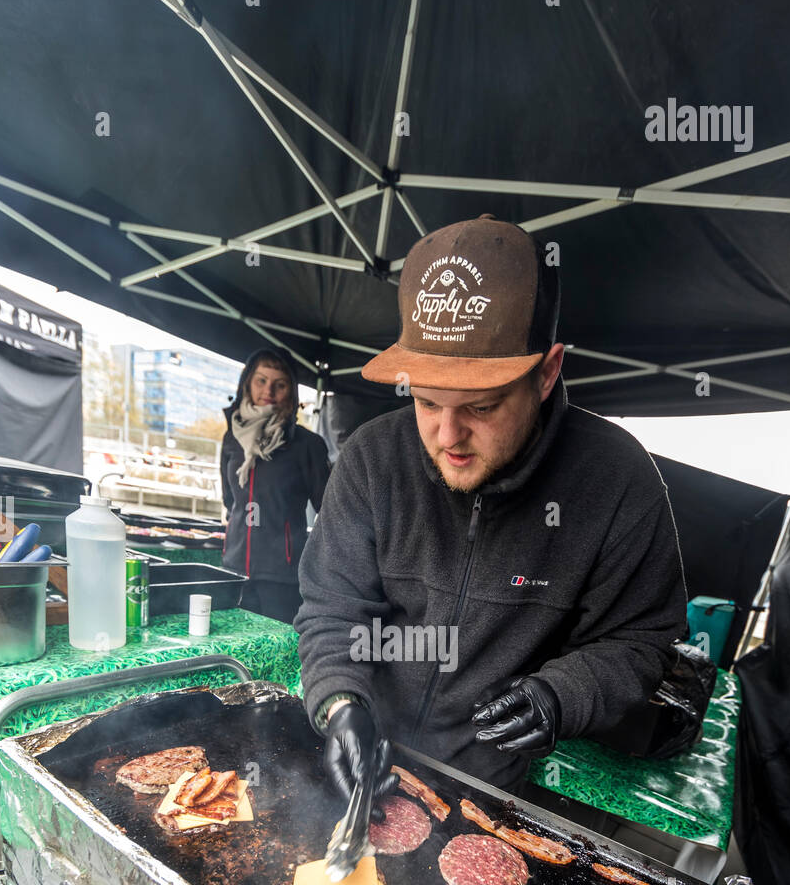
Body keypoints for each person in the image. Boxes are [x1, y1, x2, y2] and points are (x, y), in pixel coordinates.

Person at [294, 214, 687, 812]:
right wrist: (341, 703)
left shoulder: (617, 481)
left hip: (497, 791)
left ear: (548, 371)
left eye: (481, 406)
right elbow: (332, 605)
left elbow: (641, 639)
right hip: (372, 758)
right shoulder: (373, 457)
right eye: (426, 402)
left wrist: (562, 694)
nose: (448, 435)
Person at [221, 346, 330, 624]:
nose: (268, 390)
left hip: (282, 579)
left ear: (291, 392)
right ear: (248, 383)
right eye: (261, 381)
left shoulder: (307, 445)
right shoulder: (232, 438)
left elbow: (329, 512)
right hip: (233, 570)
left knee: (276, 657)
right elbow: (230, 501)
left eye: (279, 384)